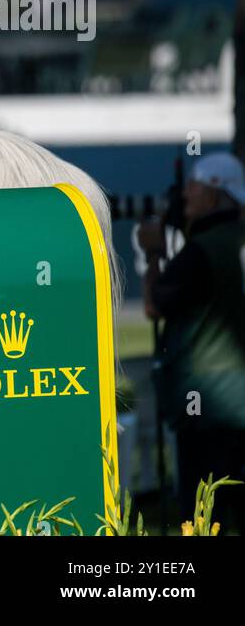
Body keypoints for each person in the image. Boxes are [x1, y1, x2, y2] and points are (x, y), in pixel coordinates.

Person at [138, 152, 245, 532]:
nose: (185, 197)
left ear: (214, 195)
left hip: (206, 403)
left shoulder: (203, 250)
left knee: (202, 513)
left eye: (193, 189)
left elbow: (154, 306)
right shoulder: (230, 241)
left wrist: (153, 252)